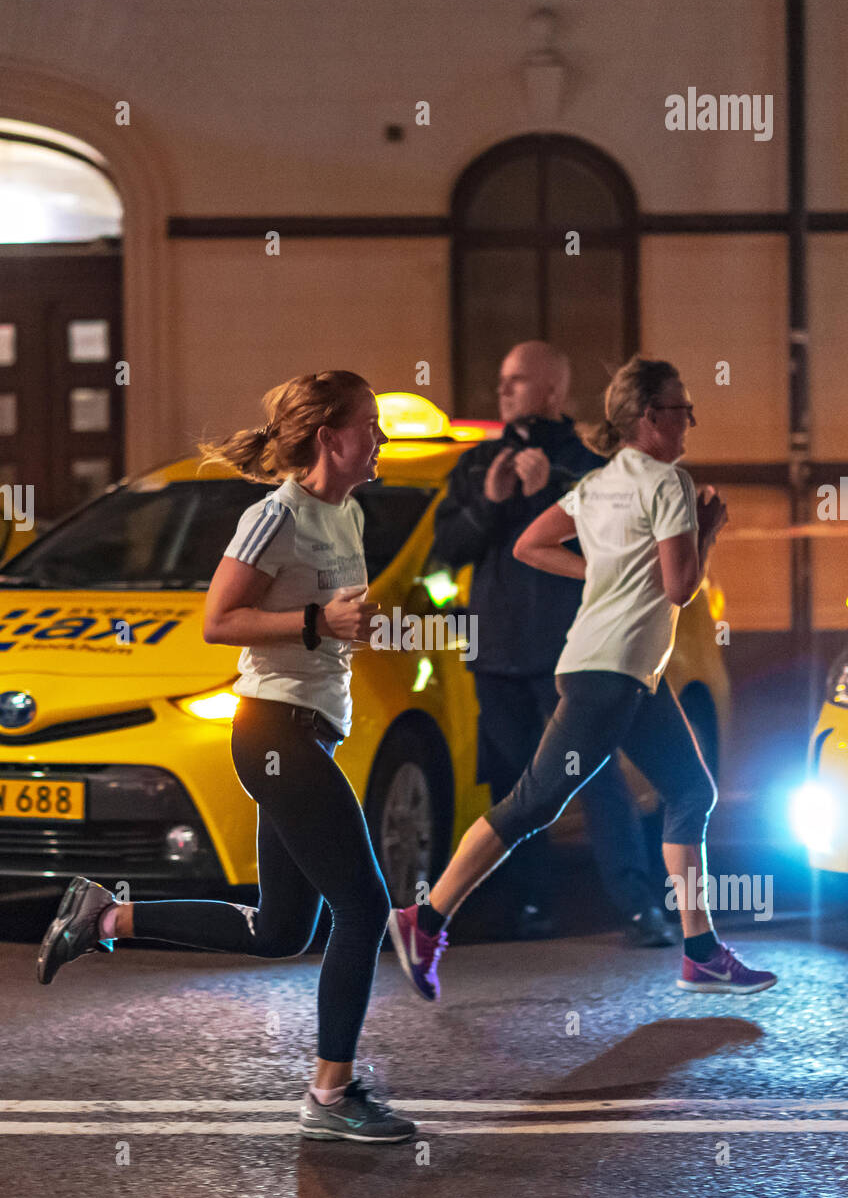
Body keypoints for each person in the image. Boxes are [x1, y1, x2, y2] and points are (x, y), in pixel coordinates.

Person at [36, 370, 417, 1144]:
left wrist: (347, 626)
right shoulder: (272, 517)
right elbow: (220, 619)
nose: (379, 439)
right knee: (365, 905)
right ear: (329, 438)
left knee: (279, 930)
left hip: (305, 730)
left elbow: (324, 621)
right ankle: (330, 1092)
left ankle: (104, 913)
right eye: (370, 425)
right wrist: (317, 620)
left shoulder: (346, 515)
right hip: (272, 731)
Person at [390, 355, 777, 1002]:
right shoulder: (668, 483)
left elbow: (529, 546)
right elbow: (681, 588)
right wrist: (707, 532)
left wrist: (599, 575)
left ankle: (701, 952)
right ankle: (423, 921)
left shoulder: (598, 484)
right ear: (651, 417)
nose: (690, 420)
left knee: (691, 793)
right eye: (682, 408)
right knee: (531, 806)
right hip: (610, 675)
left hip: (621, 672)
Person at [432, 340, 672, 946]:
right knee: (513, 785)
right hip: (496, 652)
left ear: (554, 391)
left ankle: (638, 907)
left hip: (573, 649)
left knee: (594, 778)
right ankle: (529, 904)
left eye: (517, 380)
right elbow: (448, 550)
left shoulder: (587, 462)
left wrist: (545, 495)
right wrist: (491, 503)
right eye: (502, 380)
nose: (503, 390)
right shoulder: (477, 463)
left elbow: (614, 547)